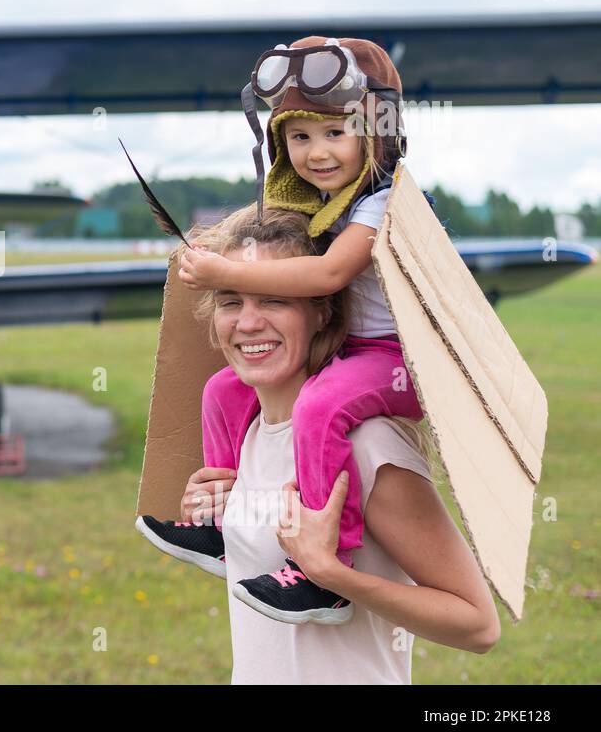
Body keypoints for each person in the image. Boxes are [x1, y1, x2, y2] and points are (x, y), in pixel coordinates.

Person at [139, 36, 424, 626]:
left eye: (334, 132)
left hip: (397, 360)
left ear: (375, 135)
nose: (316, 152)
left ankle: (326, 566)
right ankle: (222, 518)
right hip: (348, 348)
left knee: (319, 406)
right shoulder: (329, 201)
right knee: (223, 389)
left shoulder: (379, 202)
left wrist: (224, 270)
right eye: (299, 136)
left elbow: (329, 273)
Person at [162, 204, 499, 682]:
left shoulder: (365, 444)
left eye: (275, 299)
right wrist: (223, 515)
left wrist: (333, 575)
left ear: (322, 311)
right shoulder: (249, 434)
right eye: (230, 301)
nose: (249, 322)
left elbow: (477, 625)